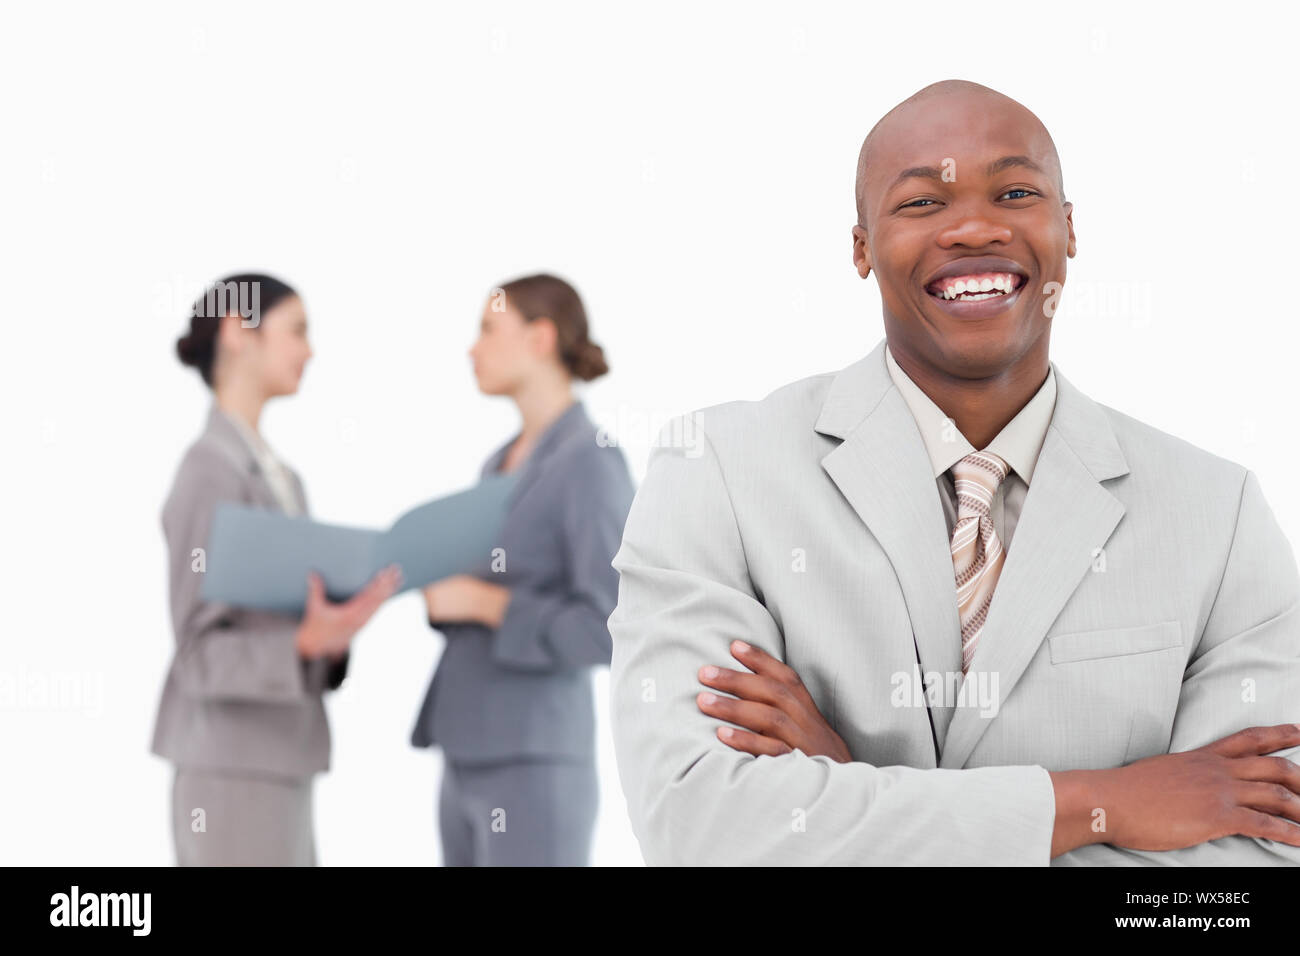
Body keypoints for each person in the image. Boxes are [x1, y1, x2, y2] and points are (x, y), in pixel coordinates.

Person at [607, 80, 1300, 865]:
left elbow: (1240, 884)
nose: (974, 225)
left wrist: (848, 787)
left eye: (1014, 191)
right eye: (921, 204)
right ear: (862, 247)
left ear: (1068, 229)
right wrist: (1103, 803)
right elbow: (697, 822)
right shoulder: (719, 469)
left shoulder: (1218, 511)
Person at [152, 273, 401, 866]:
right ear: (240, 332)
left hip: (278, 758)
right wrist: (304, 642)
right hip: (230, 768)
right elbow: (197, 654)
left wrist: (331, 636)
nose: (309, 351)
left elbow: (290, 627)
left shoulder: (283, 478)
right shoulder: (209, 472)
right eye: (298, 331)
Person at [410, 273, 635, 866]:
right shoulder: (497, 463)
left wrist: (486, 603)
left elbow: (612, 625)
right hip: (464, 747)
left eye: (487, 330)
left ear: (539, 338)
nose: (472, 349)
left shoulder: (592, 459)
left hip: (533, 758)